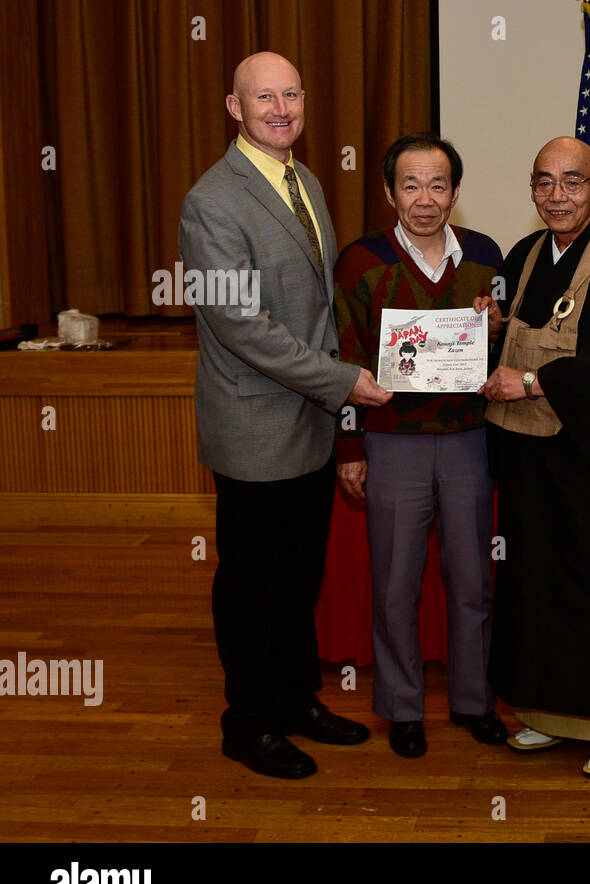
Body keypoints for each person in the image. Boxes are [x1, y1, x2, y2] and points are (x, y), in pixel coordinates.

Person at [179, 52, 391, 779]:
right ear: (235, 108)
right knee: (252, 584)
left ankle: (296, 698)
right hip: (256, 427)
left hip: (311, 420)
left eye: (291, 94)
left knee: (300, 576)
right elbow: (241, 325)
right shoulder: (211, 200)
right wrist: (343, 381)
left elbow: (321, 305)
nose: (281, 108)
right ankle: (248, 722)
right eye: (263, 97)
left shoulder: (305, 180)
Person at [478, 137, 590, 780]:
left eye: (573, 182)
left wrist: (531, 383)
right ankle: (548, 714)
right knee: (534, 585)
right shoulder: (524, 256)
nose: (557, 196)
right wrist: (493, 322)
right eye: (544, 182)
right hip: (531, 455)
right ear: (531, 189)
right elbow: (511, 328)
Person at [333, 133, 508, 758]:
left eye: (438, 185)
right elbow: (343, 357)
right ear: (389, 192)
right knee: (396, 582)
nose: (425, 199)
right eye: (411, 185)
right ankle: (404, 708)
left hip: (469, 440)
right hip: (391, 441)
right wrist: (349, 445)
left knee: (472, 581)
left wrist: (496, 330)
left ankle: (473, 701)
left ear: (456, 192)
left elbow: (506, 349)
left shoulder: (488, 256)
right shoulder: (359, 261)